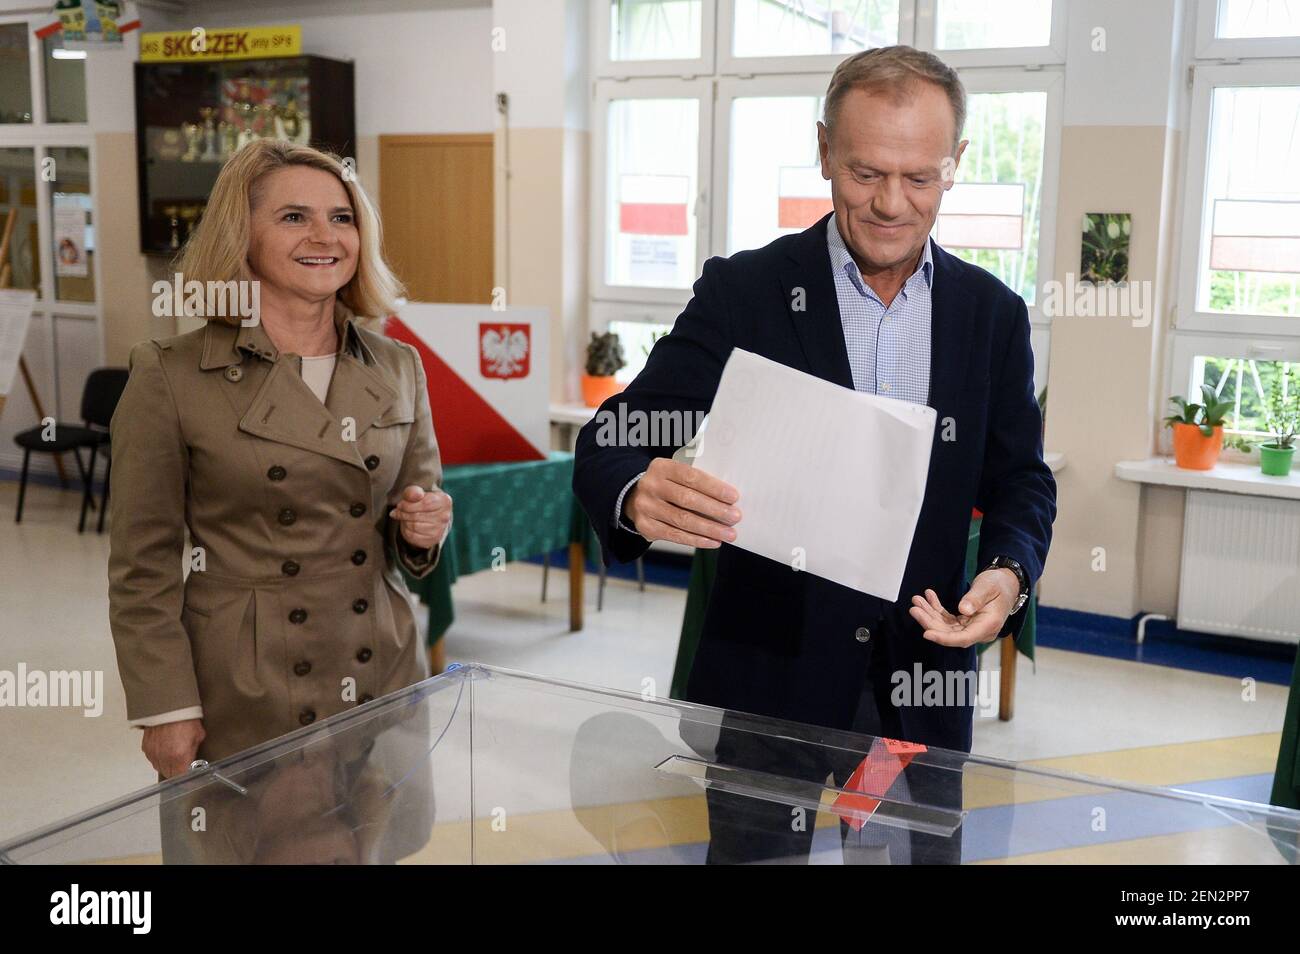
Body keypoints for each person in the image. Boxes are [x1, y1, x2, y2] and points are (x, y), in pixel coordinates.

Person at [573, 46, 1056, 863]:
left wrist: (1008, 573)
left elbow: (1021, 480)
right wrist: (631, 491)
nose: (892, 204)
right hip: (768, 682)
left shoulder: (991, 315)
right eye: (865, 172)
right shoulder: (744, 292)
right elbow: (615, 436)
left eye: (921, 177)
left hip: (919, 686)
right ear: (825, 147)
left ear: (957, 164)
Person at [107, 139, 452, 861]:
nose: (326, 236)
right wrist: (167, 709)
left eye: (342, 218)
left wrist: (422, 532)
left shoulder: (398, 366)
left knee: (372, 844)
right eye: (295, 216)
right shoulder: (171, 376)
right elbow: (142, 568)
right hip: (245, 681)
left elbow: (415, 509)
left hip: (379, 672)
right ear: (243, 236)